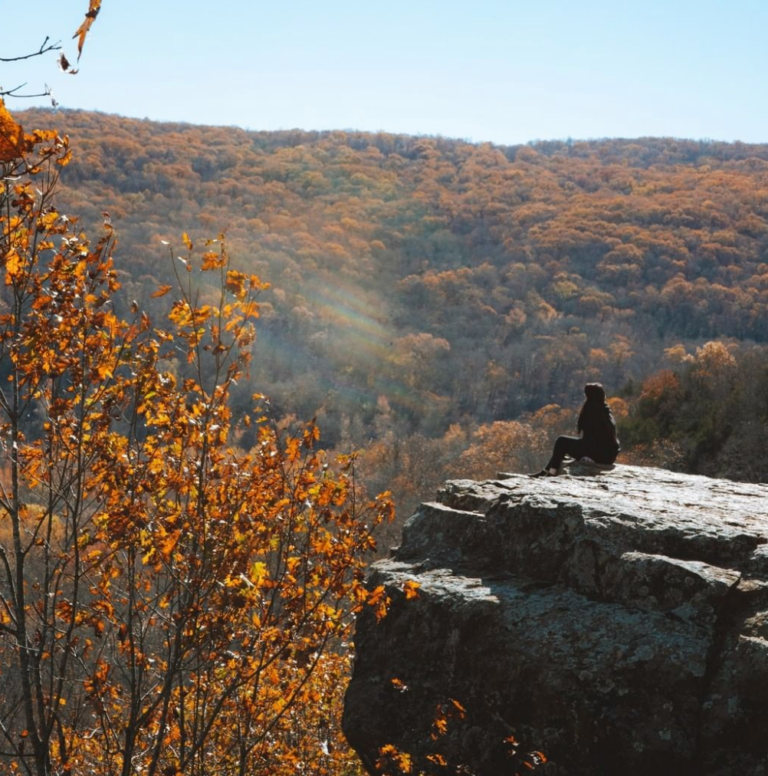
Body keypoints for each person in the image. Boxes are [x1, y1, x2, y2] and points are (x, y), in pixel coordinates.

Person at [530, 383, 620, 477]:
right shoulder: (605, 409)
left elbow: (590, 439)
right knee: (564, 444)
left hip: (598, 455)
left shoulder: (592, 411)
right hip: (608, 456)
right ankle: (547, 470)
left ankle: (551, 472)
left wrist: (588, 456)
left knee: (561, 441)